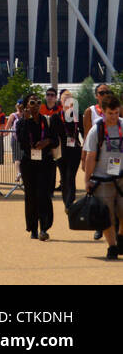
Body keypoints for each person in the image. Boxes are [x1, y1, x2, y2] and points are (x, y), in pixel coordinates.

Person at [82, 92, 123, 258]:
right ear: (103, 112)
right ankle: (112, 246)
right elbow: (90, 156)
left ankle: (121, 236)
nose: (114, 116)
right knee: (107, 215)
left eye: (116, 112)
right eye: (110, 113)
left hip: (121, 177)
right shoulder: (96, 130)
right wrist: (87, 180)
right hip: (102, 179)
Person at [15, 89, 60, 241]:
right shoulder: (21, 123)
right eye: (32, 102)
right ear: (26, 106)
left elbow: (56, 140)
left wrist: (46, 141)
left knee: (44, 194)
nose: (36, 105)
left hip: (45, 162)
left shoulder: (47, 121)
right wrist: (25, 120)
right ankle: (33, 228)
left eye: (38, 102)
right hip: (29, 163)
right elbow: (21, 141)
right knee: (31, 196)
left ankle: (44, 227)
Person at [57, 89, 81, 208]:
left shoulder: (77, 116)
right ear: (61, 102)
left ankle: (70, 203)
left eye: (69, 99)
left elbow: (84, 131)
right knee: (63, 178)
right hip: (61, 151)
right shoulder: (56, 117)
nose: (67, 102)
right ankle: (66, 201)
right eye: (64, 99)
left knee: (71, 176)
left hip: (74, 150)